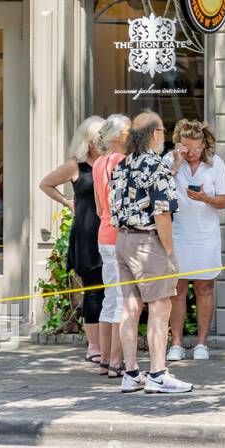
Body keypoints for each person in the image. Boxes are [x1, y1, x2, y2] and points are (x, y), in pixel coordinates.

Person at [109, 112, 192, 394]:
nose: (165, 133)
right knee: (161, 307)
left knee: (130, 307)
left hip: (122, 240)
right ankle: (158, 372)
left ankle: (131, 372)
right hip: (147, 242)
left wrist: (175, 166)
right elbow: (162, 212)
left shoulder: (123, 165)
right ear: (154, 133)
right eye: (163, 128)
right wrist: (169, 252)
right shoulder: (154, 164)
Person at [39, 116, 106, 366]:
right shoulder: (76, 166)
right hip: (87, 232)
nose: (100, 142)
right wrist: (67, 202)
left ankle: (109, 346)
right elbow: (45, 184)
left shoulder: (110, 163)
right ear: (87, 140)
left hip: (109, 230)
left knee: (111, 291)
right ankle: (94, 346)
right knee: (92, 291)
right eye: (97, 137)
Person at [164, 119, 225, 362]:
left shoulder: (216, 164)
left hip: (205, 235)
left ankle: (202, 343)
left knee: (204, 288)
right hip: (179, 233)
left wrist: (205, 198)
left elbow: (224, 200)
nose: (191, 153)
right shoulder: (170, 161)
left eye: (195, 149)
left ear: (204, 145)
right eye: (186, 147)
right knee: (178, 288)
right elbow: (159, 186)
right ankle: (177, 343)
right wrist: (177, 161)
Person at [91, 114, 131, 378]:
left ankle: (105, 359)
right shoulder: (119, 161)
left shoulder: (98, 163)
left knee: (109, 298)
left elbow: (98, 207)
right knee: (121, 301)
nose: (131, 135)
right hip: (118, 235)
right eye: (128, 131)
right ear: (118, 136)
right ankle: (117, 361)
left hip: (103, 233)